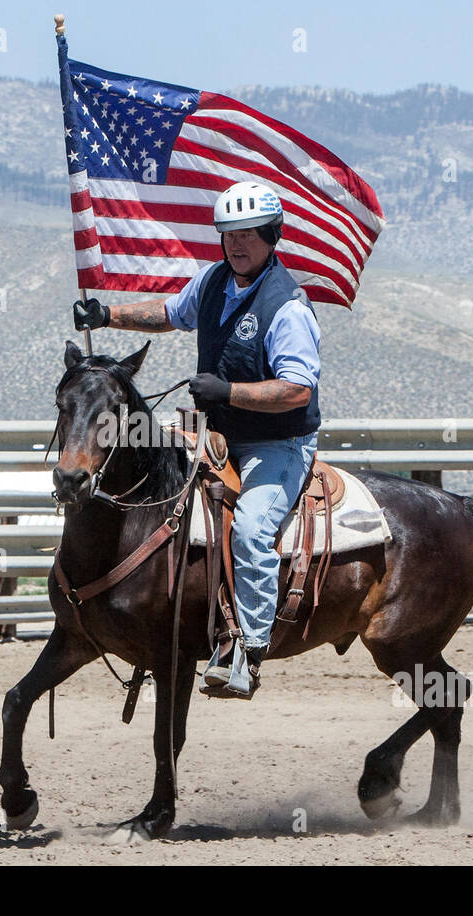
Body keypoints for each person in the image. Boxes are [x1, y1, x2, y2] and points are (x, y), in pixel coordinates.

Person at [72, 181, 321, 699]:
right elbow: (168, 315)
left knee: (251, 530)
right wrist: (107, 315)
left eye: (250, 234)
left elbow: (297, 390)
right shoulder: (212, 283)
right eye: (229, 233)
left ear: (272, 236)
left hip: (275, 447)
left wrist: (228, 390)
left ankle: (248, 651)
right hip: (214, 436)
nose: (237, 244)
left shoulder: (288, 307)